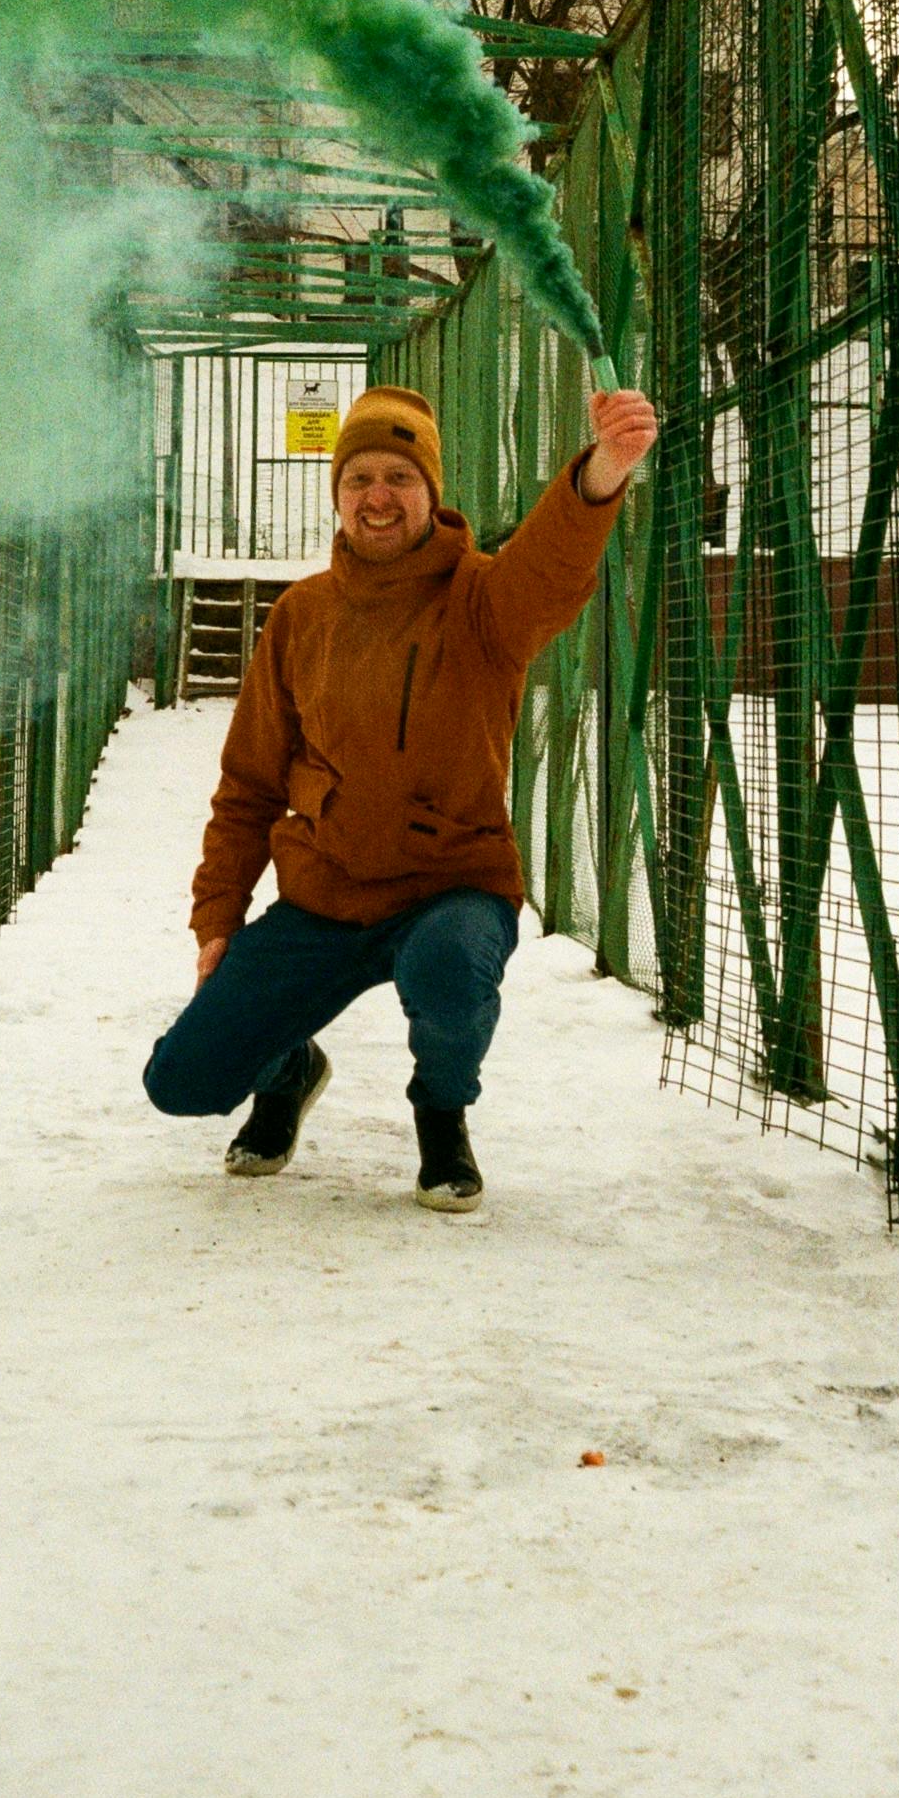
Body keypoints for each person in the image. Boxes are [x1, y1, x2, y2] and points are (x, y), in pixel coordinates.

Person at [142, 379, 659, 1211]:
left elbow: (552, 568)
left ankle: (442, 1117)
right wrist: (217, 923)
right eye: (358, 480)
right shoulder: (301, 615)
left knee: (449, 970)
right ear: (338, 496)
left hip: (449, 887)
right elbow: (247, 788)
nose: (377, 497)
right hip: (325, 894)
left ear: (431, 493)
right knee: (181, 1083)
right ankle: (288, 1072)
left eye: (399, 478)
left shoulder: (485, 601)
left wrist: (603, 469)